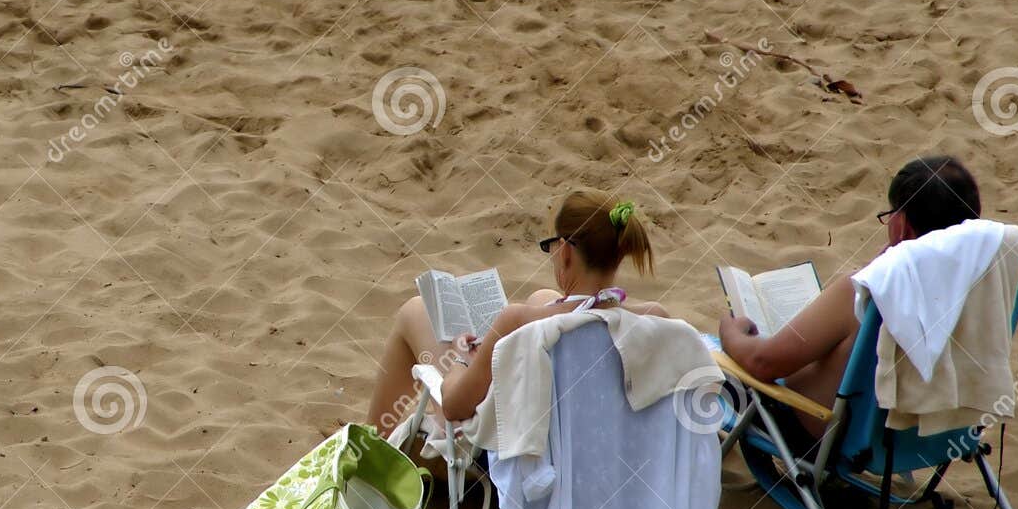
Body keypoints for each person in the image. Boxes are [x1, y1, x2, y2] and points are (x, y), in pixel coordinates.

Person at [718, 155, 982, 441]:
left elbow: (762, 364)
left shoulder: (868, 292)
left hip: (814, 431)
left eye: (890, 214)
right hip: (922, 442)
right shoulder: (981, 292)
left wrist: (729, 331)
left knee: (702, 356)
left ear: (902, 226)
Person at [366, 190, 669, 435]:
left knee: (414, 311)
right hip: (596, 445)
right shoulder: (655, 318)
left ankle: (370, 451)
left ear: (564, 251)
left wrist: (460, 358)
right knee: (544, 297)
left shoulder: (516, 320)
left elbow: (454, 408)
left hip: (512, 451)